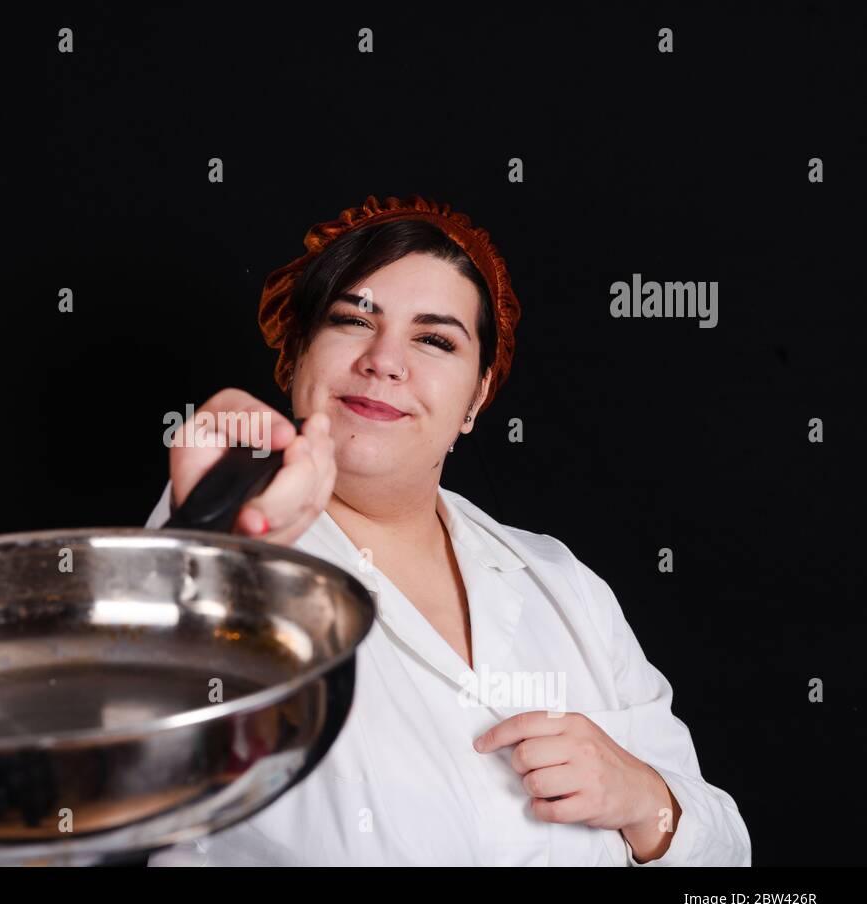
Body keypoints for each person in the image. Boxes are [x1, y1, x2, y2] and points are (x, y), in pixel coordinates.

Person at [145, 194, 751, 866]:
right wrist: (212, 522)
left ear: (477, 395)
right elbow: (123, 745)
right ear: (296, 354)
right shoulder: (224, 547)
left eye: (434, 338)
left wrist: (646, 800)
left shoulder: (562, 583)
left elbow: (726, 857)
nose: (384, 359)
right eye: (351, 319)